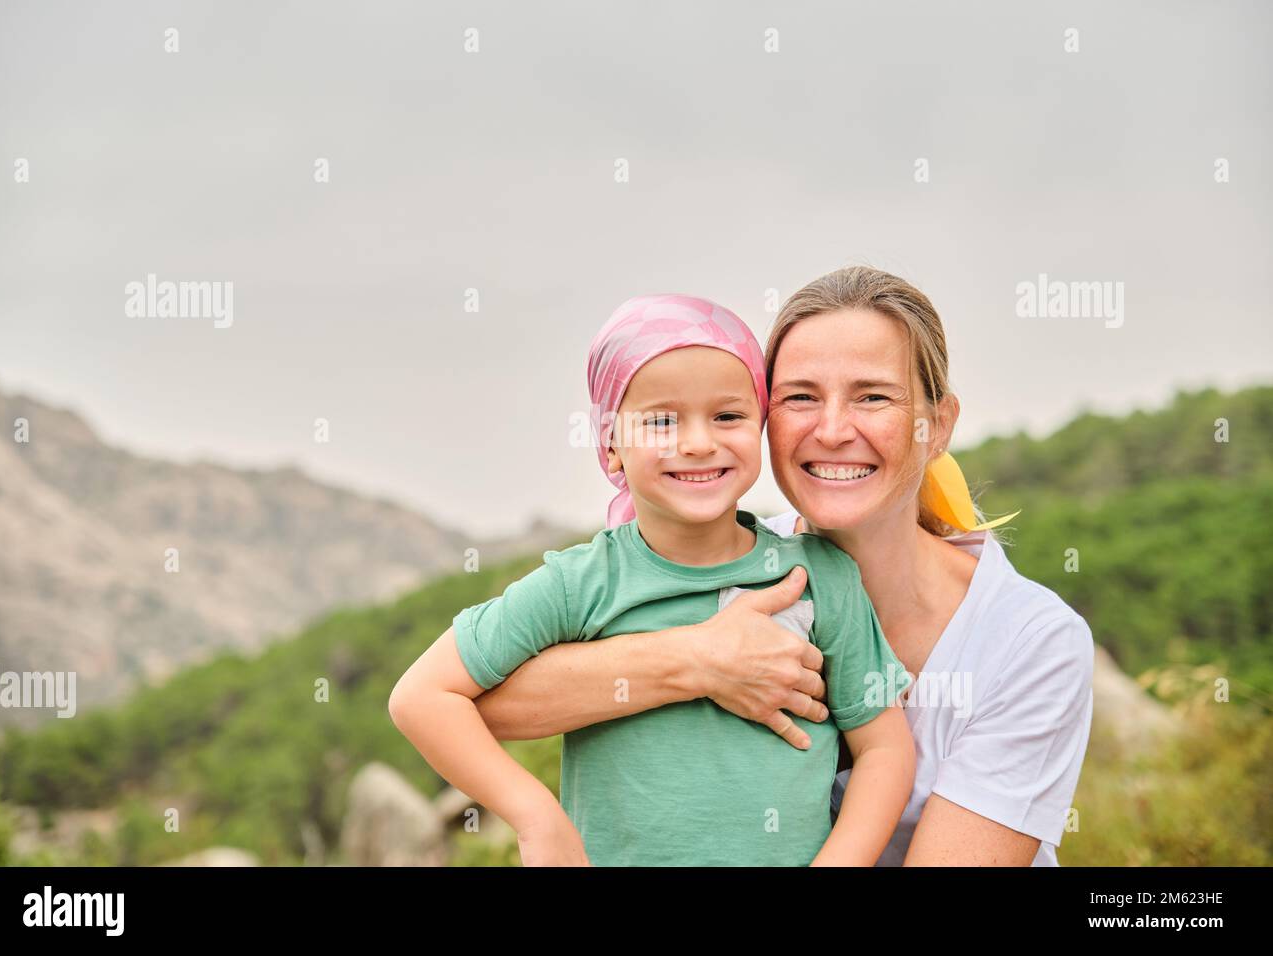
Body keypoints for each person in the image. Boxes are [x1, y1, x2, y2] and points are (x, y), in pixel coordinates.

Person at [473, 267, 1096, 866]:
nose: (832, 430)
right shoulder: (724, 557)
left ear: (937, 425)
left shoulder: (1030, 641)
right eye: (800, 397)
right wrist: (700, 660)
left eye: (873, 397)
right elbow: (481, 701)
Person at [388, 293, 914, 865]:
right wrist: (535, 814)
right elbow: (422, 697)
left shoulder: (819, 575)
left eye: (728, 416)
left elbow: (883, 749)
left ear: (761, 428)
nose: (698, 442)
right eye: (662, 420)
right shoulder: (579, 584)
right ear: (611, 445)